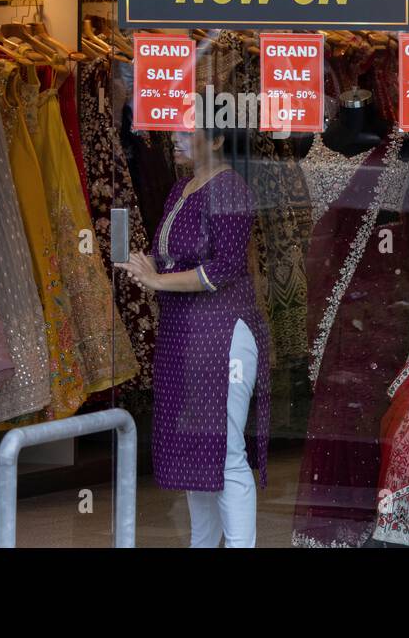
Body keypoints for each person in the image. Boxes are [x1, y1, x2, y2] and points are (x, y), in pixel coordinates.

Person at [117, 125, 270, 548]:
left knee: (225, 450)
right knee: (197, 451)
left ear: (218, 139)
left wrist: (159, 282)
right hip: (183, 333)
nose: (177, 139)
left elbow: (224, 267)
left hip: (221, 332)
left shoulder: (230, 188)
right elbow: (172, 258)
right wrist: (144, 267)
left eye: (189, 132)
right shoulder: (182, 187)